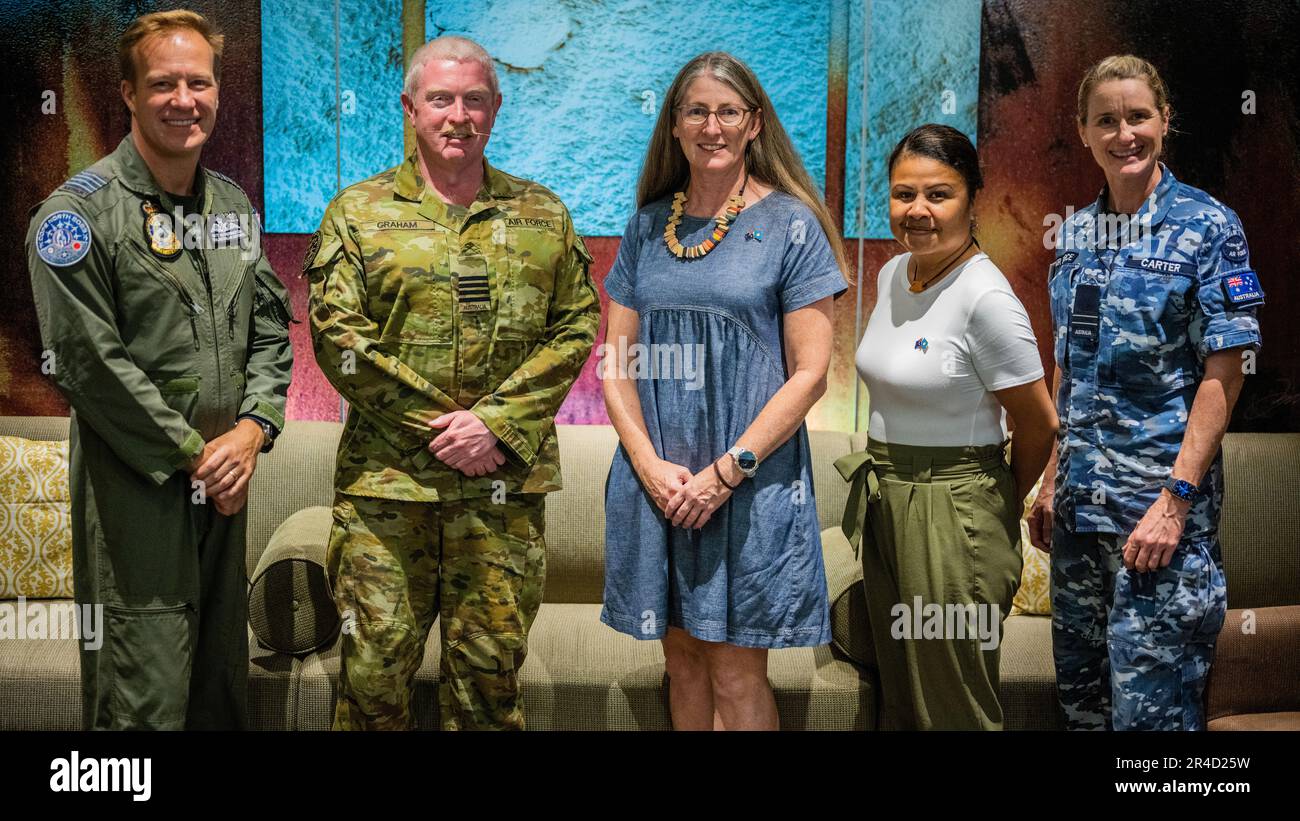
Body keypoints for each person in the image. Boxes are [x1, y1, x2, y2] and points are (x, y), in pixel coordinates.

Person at [306, 35, 599, 731]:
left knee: (489, 693)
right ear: (410, 108)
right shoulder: (359, 212)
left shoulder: (542, 216)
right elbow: (338, 338)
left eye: (474, 99)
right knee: (373, 684)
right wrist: (447, 428)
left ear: (495, 108)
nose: (457, 115)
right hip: (386, 494)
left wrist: (494, 424)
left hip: (500, 499)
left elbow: (577, 327)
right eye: (440, 99)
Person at [25, 9, 293, 730]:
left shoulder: (232, 205)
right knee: (144, 703)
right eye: (164, 83)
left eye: (199, 82)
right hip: (135, 494)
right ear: (128, 93)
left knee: (217, 694)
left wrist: (252, 429)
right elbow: (89, 365)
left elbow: (269, 324)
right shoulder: (75, 218)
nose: (185, 99)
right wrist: (195, 456)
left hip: (225, 491)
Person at [600, 52, 849, 731]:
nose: (712, 126)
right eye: (696, 111)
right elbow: (613, 363)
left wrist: (726, 471)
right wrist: (652, 469)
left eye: (728, 112)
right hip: (659, 486)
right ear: (675, 126)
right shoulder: (647, 226)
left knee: (737, 674)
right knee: (682, 664)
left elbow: (811, 373)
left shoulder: (793, 225)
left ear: (754, 124)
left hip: (748, 483)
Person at [1027, 55, 1264, 731]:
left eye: (1137, 116)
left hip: (1156, 528)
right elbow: (1066, 365)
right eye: (1107, 120)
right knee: (1083, 715)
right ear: (1083, 131)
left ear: (1164, 121)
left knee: (1150, 730)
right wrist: (1050, 481)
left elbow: (1228, 370)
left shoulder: (1208, 227)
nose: (1123, 133)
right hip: (1079, 525)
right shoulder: (1074, 235)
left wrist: (1176, 498)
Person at [839, 124, 1058, 730]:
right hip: (888, 499)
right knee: (906, 700)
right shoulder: (893, 275)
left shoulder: (985, 297)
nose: (918, 211)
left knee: (953, 706)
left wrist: (990, 503)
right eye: (903, 194)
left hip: (956, 508)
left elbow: (1039, 425)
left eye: (939, 194)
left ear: (972, 199)